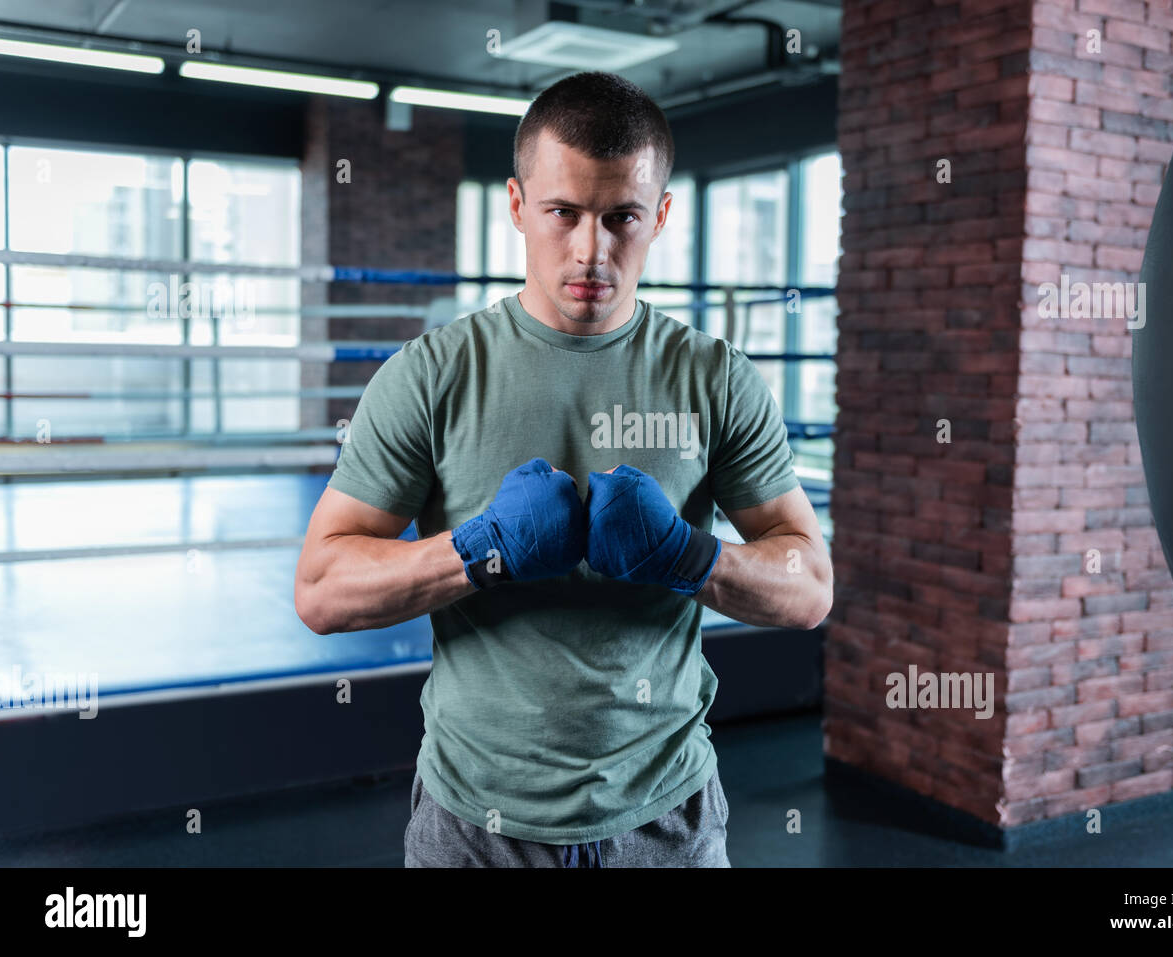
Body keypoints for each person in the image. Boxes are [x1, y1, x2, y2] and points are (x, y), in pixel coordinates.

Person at [294, 71, 832, 867]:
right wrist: (480, 548)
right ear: (516, 205)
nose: (591, 249)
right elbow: (321, 589)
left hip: (667, 819)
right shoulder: (432, 375)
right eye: (563, 213)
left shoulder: (714, 379)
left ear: (661, 217)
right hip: (475, 825)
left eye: (622, 218)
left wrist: (690, 556)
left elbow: (810, 586)